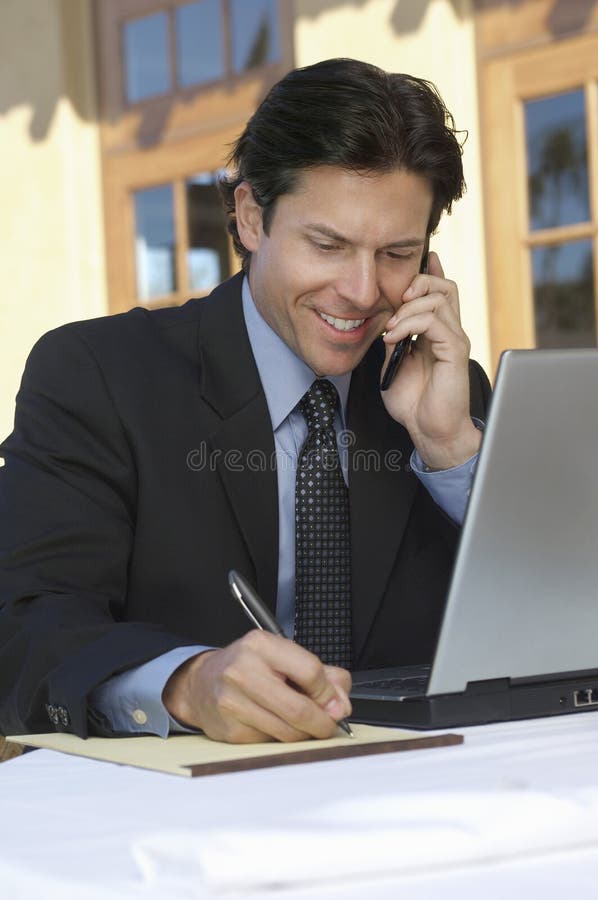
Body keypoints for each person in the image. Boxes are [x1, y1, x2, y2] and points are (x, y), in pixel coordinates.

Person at [0, 58, 490, 744]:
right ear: (251, 215)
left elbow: (555, 625)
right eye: (328, 244)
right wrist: (185, 684)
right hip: (180, 818)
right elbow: (24, 628)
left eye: (397, 254)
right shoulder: (96, 376)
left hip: (416, 804)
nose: (361, 290)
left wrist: (451, 453)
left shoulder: (448, 398)